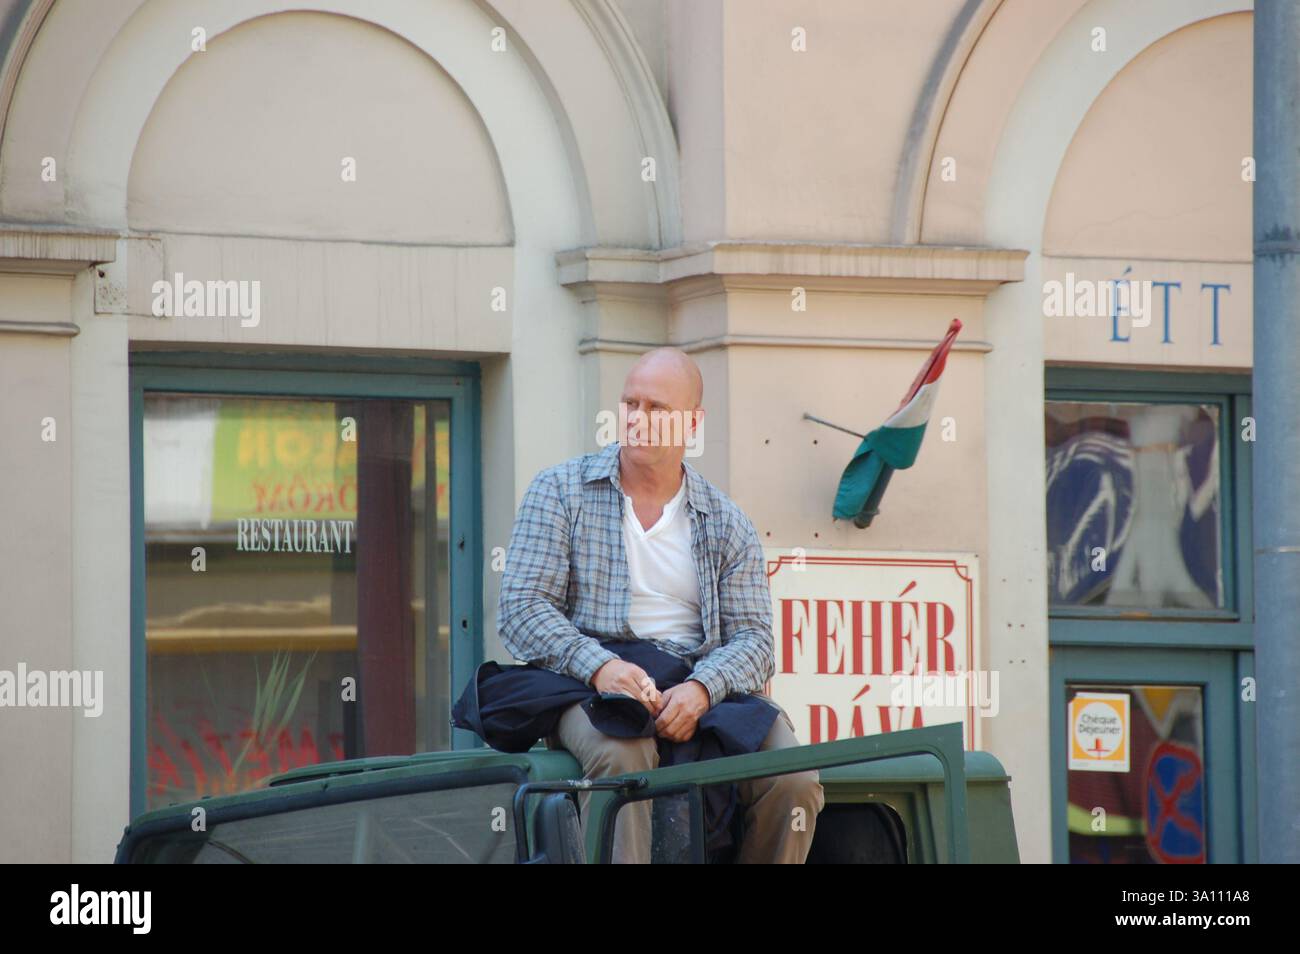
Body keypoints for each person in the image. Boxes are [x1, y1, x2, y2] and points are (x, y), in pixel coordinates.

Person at [496, 346, 824, 862]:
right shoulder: (559, 491)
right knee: (622, 755)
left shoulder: (726, 519)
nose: (638, 421)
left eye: (657, 409)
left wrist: (701, 688)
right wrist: (600, 666)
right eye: (631, 405)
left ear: (692, 423)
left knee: (796, 779)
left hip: (698, 679)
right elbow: (521, 606)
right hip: (588, 682)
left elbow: (756, 639)